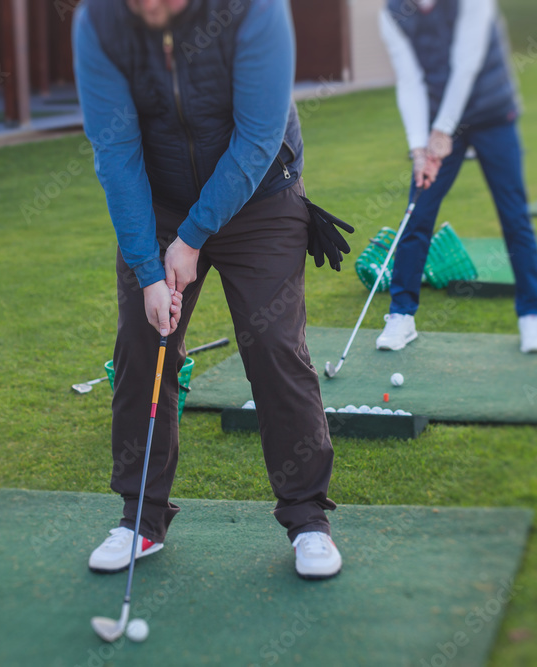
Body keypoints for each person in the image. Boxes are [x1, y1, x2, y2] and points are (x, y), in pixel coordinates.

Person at [72, 0, 348, 581]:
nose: (150, 7)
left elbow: (257, 136)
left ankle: (307, 519)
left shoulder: (254, 10)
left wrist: (193, 238)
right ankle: (140, 519)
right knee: (143, 348)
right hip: (161, 201)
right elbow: (115, 151)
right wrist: (150, 268)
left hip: (262, 196)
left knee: (274, 344)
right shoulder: (99, 22)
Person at [376, 0, 537, 354]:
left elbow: (465, 65)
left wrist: (441, 132)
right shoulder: (392, 12)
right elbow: (410, 81)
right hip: (441, 118)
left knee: (513, 214)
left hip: (492, 115)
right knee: (419, 209)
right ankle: (401, 315)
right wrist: (418, 149)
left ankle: (531, 316)